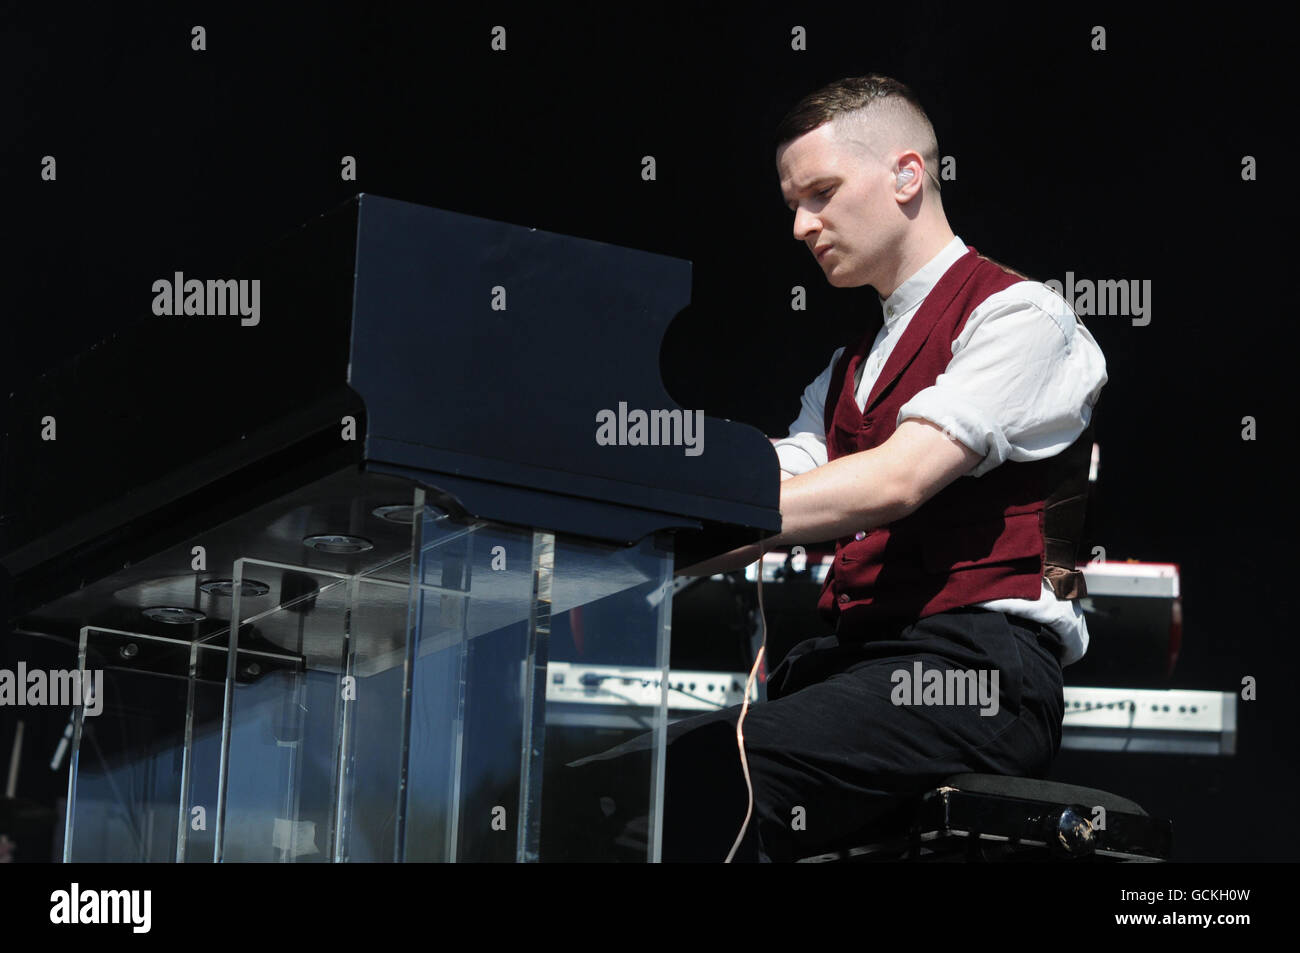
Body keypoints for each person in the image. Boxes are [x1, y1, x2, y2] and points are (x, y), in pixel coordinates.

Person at [555, 74, 1107, 863]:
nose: (801, 226)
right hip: (865, 670)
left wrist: (679, 535)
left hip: (977, 676)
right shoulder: (845, 373)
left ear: (907, 175)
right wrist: (602, 542)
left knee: (691, 785)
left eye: (820, 192)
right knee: (593, 785)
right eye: (792, 204)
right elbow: (771, 484)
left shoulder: (1021, 317)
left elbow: (897, 480)